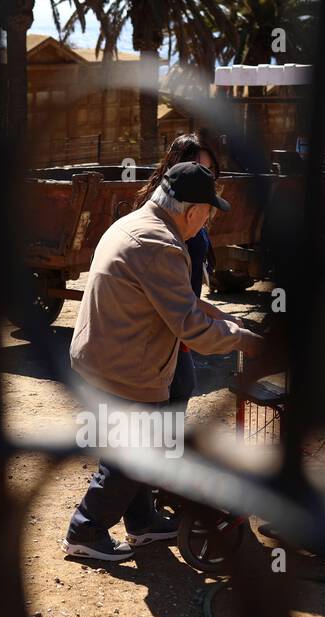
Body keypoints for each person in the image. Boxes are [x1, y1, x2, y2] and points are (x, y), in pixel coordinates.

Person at [64, 162, 264, 562]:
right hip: (125, 367)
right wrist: (247, 342)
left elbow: (177, 302)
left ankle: (142, 523)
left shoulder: (138, 224)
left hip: (104, 356)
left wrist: (221, 315)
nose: (206, 223)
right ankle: (85, 530)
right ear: (191, 211)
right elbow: (191, 329)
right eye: (207, 213)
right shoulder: (160, 245)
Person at [133, 133, 221, 408]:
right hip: (166, 321)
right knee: (179, 387)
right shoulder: (168, 225)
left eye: (210, 171)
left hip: (180, 311)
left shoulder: (191, 210)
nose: (205, 177)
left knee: (181, 386)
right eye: (198, 168)